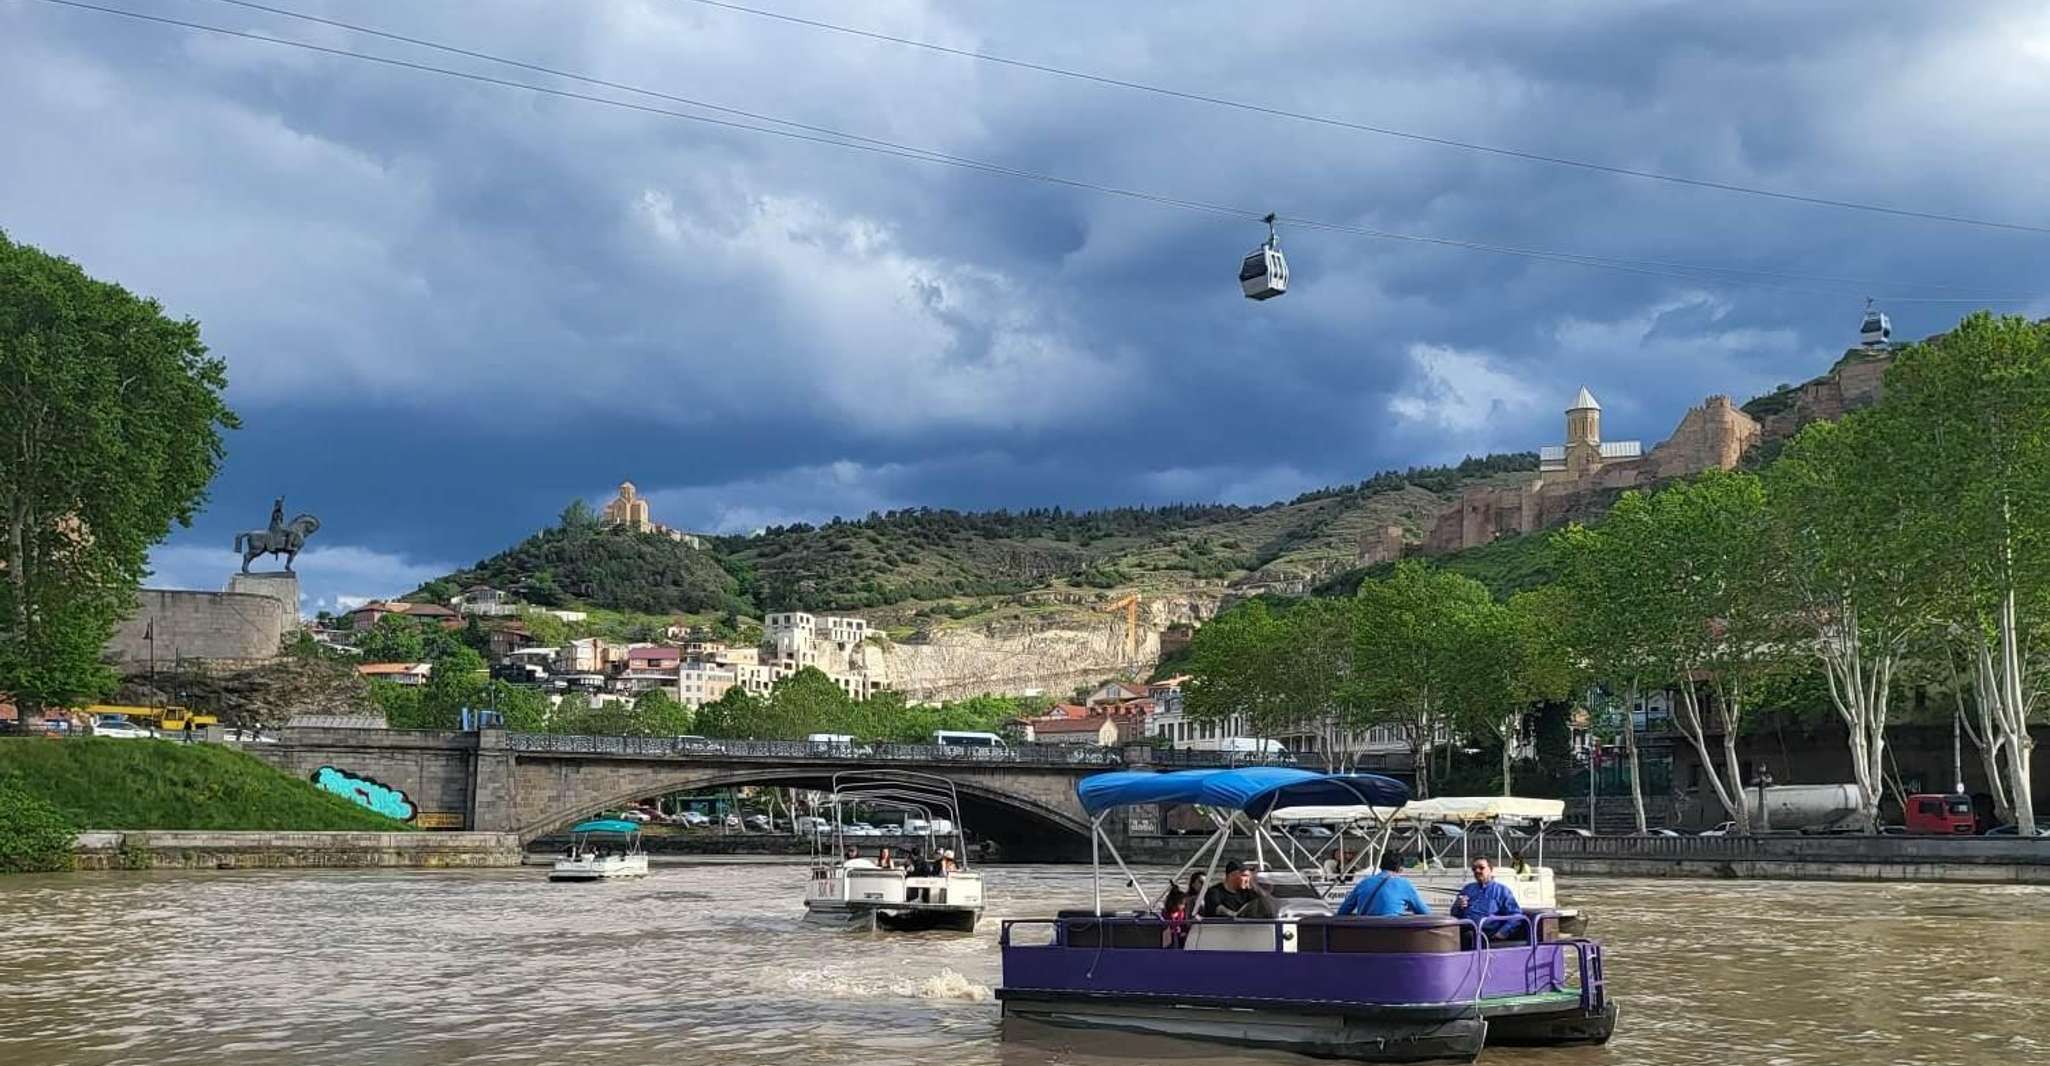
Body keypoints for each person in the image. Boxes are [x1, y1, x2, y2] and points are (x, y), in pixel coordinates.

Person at [1450, 857, 1525, 940]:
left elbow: (1516, 916)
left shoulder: (1501, 891)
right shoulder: (1468, 889)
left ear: (1490, 870)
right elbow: (1454, 913)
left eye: (1481, 868)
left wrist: (1502, 933)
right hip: (1463, 929)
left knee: (1468, 937)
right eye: (1474, 869)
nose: (1477, 871)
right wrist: (1458, 906)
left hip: (1486, 934)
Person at [1335, 855, 1431, 916]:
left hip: (1365, 935)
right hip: (1392, 935)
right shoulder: (1404, 884)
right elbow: (1425, 912)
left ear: (1380, 866)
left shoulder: (1364, 883)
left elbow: (1342, 912)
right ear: (1400, 869)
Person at [1199, 861, 1276, 919]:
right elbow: (1220, 910)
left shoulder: (1247, 892)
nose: (1248, 879)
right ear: (1232, 875)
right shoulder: (1214, 892)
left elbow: (1268, 904)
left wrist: (1255, 886)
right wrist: (1238, 915)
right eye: (1244, 876)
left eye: (1249, 877)